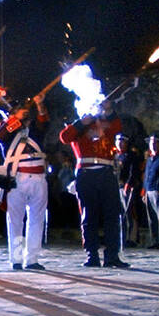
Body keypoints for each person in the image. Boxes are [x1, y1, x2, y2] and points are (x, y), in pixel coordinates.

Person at [59, 100, 129, 268]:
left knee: (112, 215)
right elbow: (64, 137)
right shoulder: (79, 129)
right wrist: (81, 122)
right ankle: (92, 255)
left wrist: (109, 109)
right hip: (86, 174)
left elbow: (118, 126)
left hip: (106, 173)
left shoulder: (107, 125)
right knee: (88, 216)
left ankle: (112, 255)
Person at [0, 91, 50, 271]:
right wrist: (15, 118)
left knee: (37, 220)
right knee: (15, 221)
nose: (24, 113)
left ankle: (32, 259)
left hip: (39, 178)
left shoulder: (34, 129)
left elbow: (44, 121)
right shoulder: (7, 128)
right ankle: (16, 259)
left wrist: (40, 104)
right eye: (19, 110)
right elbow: (0, 136)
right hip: (17, 178)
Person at [115, 133, 143, 249]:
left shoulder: (131, 156)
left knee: (129, 213)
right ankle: (121, 237)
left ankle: (131, 238)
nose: (120, 144)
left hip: (127, 187)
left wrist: (128, 184)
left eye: (123, 142)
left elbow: (133, 172)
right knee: (120, 213)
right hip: (117, 187)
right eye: (118, 142)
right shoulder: (115, 156)